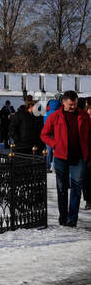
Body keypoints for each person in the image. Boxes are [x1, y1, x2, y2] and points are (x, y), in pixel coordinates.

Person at [40, 90, 90, 226]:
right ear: (63, 102)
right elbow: (44, 134)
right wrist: (54, 144)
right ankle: (63, 216)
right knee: (61, 188)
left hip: (79, 157)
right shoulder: (55, 116)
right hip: (61, 157)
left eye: (74, 104)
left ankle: (72, 218)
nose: (73, 107)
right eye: (70, 104)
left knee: (76, 187)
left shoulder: (84, 115)